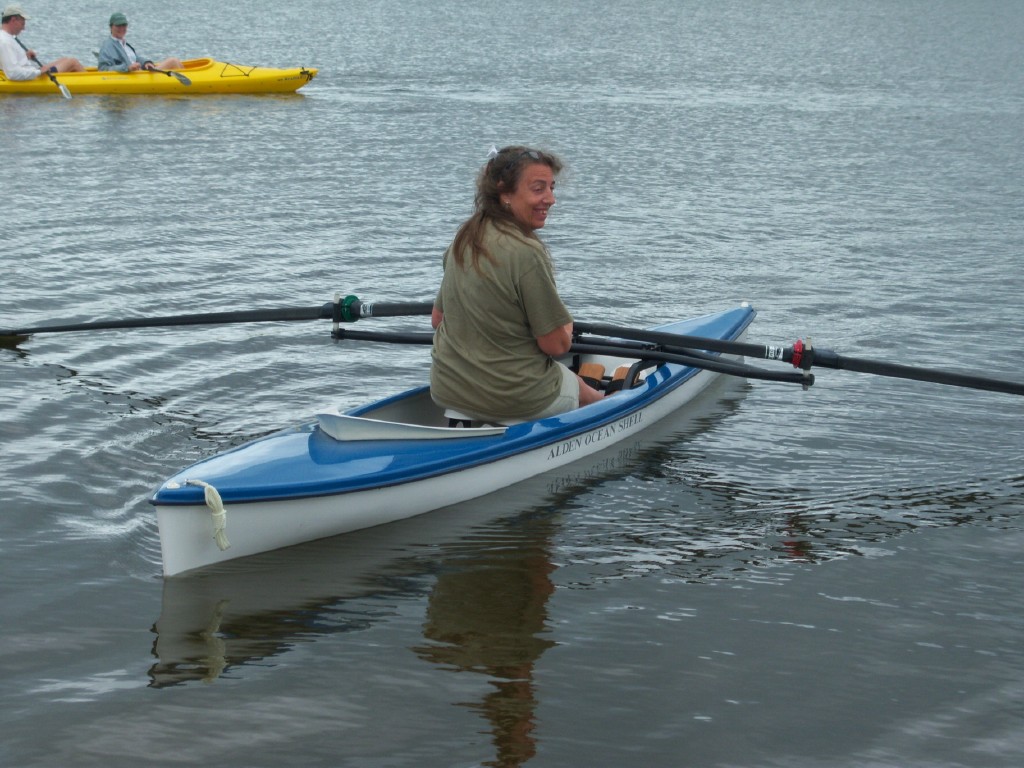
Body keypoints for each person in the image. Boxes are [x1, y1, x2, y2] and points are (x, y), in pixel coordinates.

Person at [430, 145, 604, 425]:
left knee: (562, 376)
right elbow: (556, 346)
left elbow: (438, 320)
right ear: (505, 194)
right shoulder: (526, 253)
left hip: (448, 390)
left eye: (551, 188)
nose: (551, 199)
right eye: (538, 189)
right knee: (585, 391)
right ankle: (605, 405)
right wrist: (566, 327)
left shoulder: (464, 239)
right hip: (514, 398)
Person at [0, 4, 83, 80]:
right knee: (73, 62)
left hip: (30, 72)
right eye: (22, 24)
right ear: (13, 20)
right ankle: (91, 86)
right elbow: (14, 74)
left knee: (64, 59)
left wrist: (25, 57)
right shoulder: (5, 41)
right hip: (31, 77)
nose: (23, 28)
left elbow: (10, 61)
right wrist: (39, 72)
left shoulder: (6, 36)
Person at [97, 12, 182, 72]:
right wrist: (127, 68)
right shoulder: (107, 46)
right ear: (111, 27)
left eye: (124, 25)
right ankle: (188, 84)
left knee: (176, 61)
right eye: (118, 25)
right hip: (131, 76)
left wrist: (146, 63)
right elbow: (103, 68)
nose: (122, 28)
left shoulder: (124, 44)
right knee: (173, 61)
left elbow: (136, 58)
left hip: (139, 73)